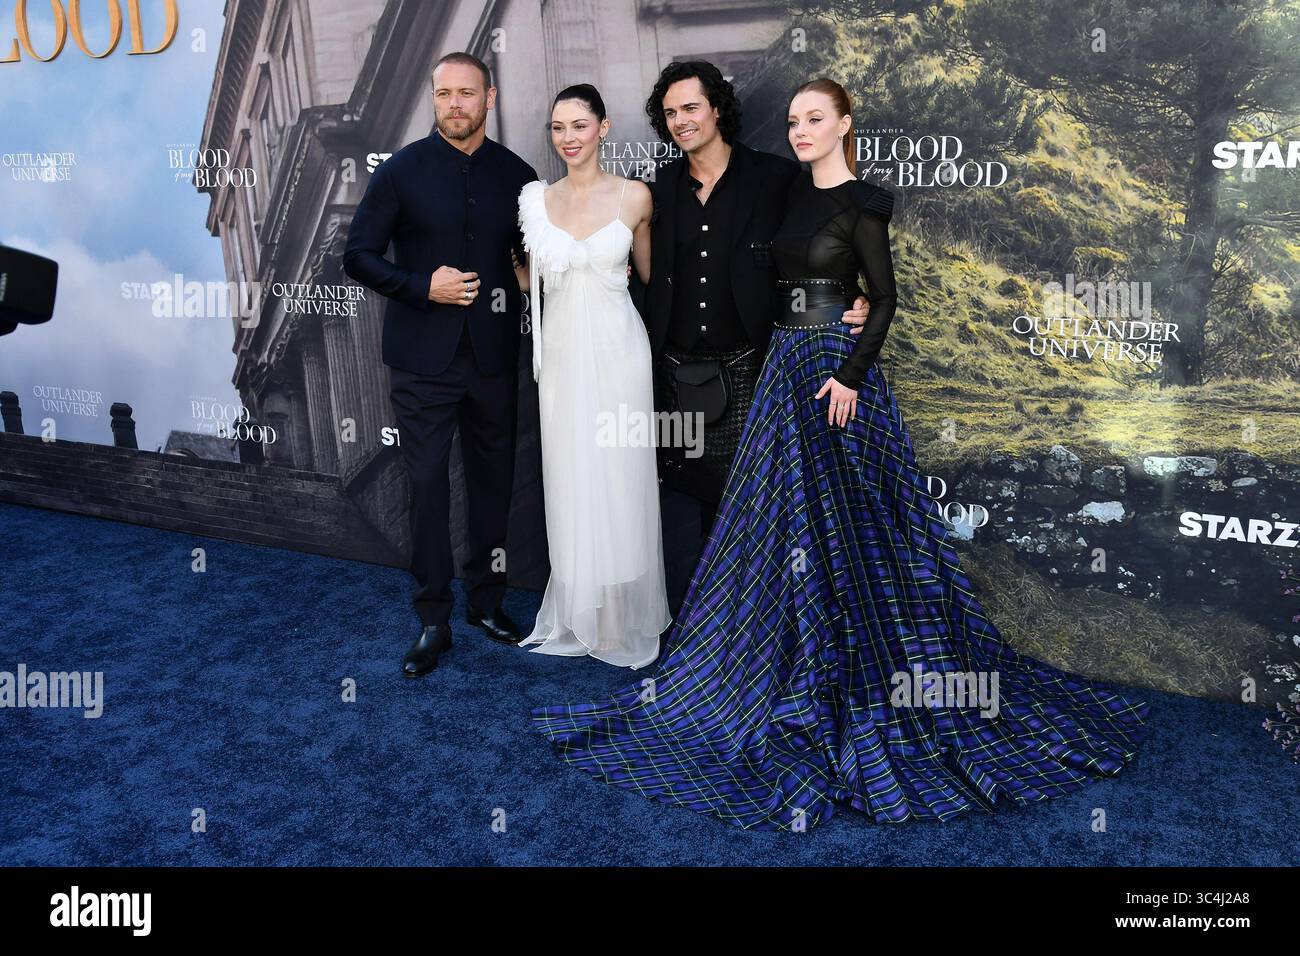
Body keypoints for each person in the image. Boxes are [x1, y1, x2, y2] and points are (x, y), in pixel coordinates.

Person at [526, 78, 1150, 830]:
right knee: (773, 525)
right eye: (793, 121)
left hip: (824, 373)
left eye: (814, 119)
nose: (801, 131)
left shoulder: (831, 191)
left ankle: (872, 673)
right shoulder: (728, 187)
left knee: (859, 528)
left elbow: (876, 293)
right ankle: (781, 661)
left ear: (842, 122)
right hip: (768, 371)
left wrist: (851, 349)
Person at [633, 60, 873, 612]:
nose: (680, 121)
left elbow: (818, 244)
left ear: (717, 109)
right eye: (669, 113)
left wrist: (849, 296)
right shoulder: (658, 186)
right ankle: (696, 628)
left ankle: (757, 628)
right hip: (672, 371)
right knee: (680, 500)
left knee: (752, 505)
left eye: (691, 108)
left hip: (750, 368)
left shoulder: (774, 178)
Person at [343, 52, 537, 676]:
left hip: (493, 358)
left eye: (467, 93)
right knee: (426, 488)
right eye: (444, 93)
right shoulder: (399, 172)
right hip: (422, 363)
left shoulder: (520, 176)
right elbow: (359, 257)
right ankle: (433, 617)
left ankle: (487, 601)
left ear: (490, 98)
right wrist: (423, 285)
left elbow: (528, 259)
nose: (455, 103)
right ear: (435, 98)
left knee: (492, 484)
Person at [513, 84, 671, 669]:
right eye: (558, 127)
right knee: (571, 477)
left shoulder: (636, 198)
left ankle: (621, 614)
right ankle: (580, 608)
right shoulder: (533, 201)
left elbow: (656, 281)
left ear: (604, 128)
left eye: (579, 125)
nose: (568, 138)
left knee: (621, 479)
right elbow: (531, 282)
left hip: (620, 356)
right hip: (559, 359)